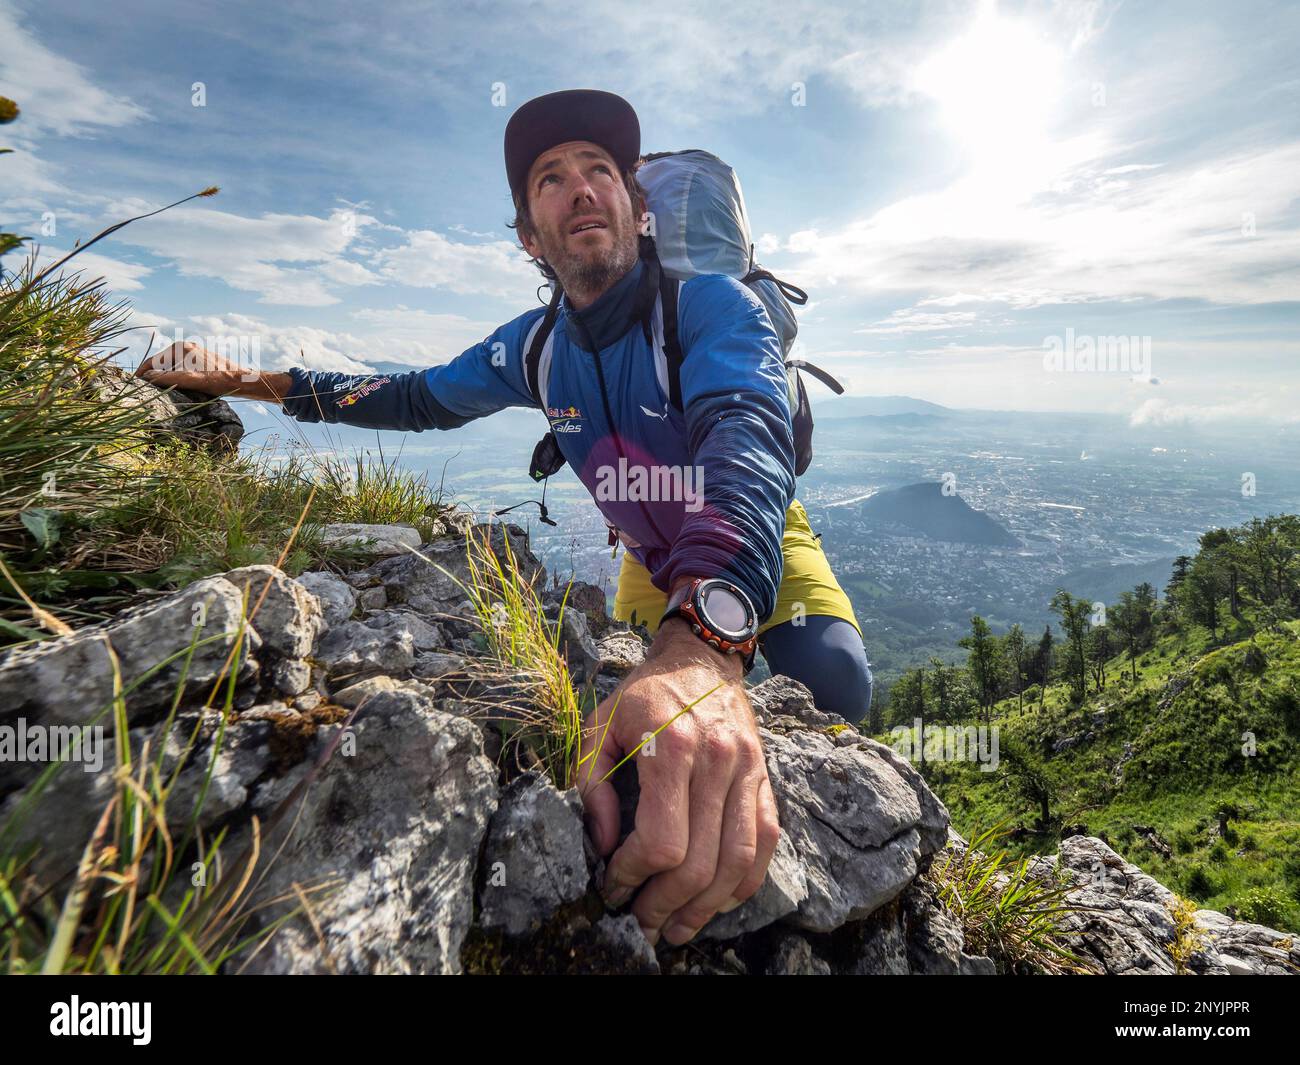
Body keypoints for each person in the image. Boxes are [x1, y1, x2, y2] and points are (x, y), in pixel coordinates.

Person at [136, 88, 873, 949]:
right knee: (632, 744)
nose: (581, 187)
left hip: (756, 528)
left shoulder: (710, 307)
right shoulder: (535, 347)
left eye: (601, 170)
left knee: (834, 683)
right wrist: (240, 380)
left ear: (639, 212)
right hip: (645, 552)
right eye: (551, 179)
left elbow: (746, 434)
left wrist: (702, 649)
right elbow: (410, 397)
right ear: (530, 234)